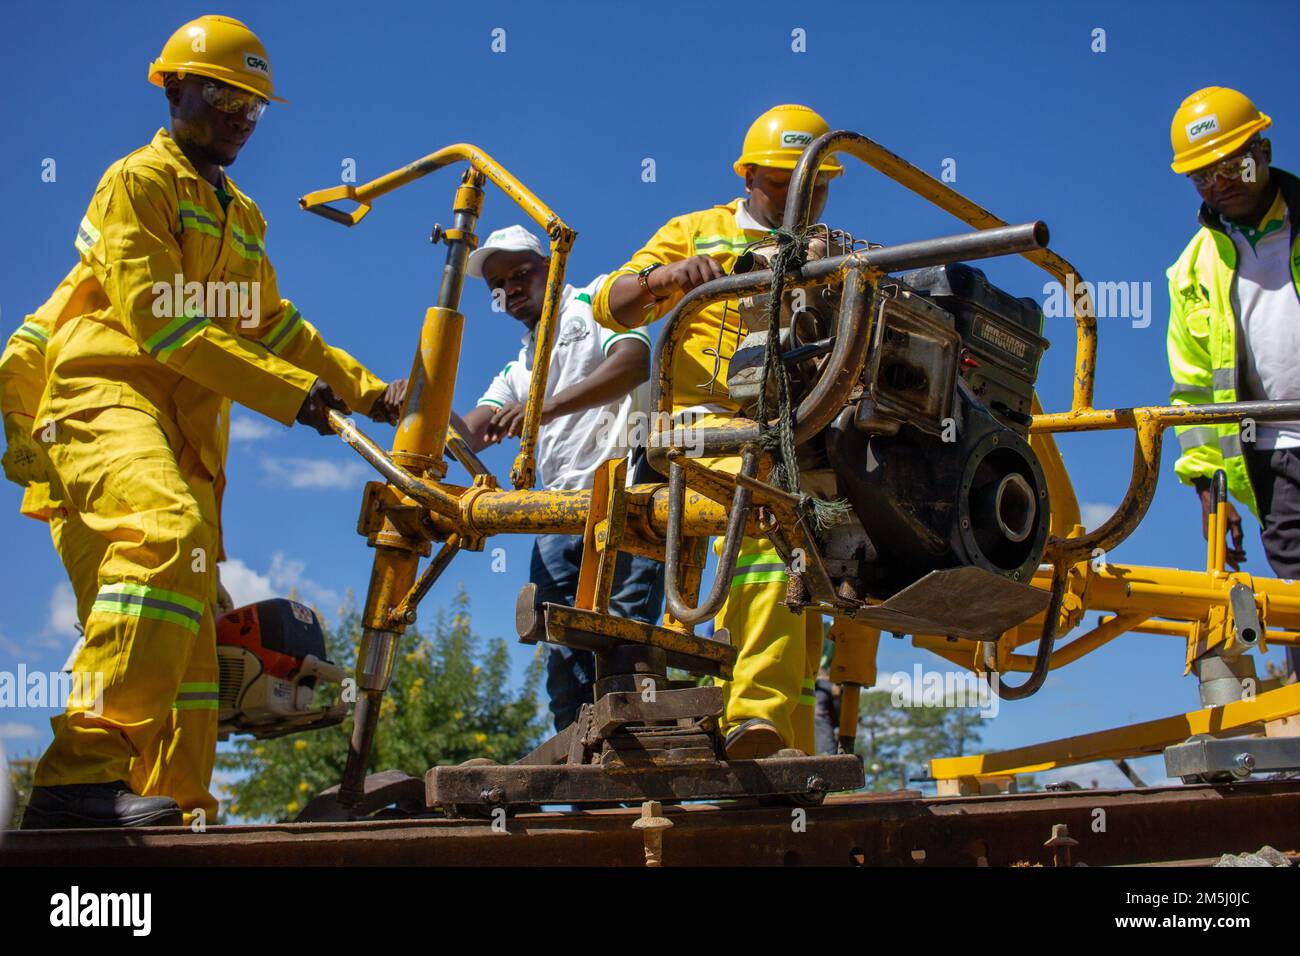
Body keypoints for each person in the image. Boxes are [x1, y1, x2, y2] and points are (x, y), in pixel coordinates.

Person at [5, 15, 404, 830]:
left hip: (180, 436)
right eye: (223, 94)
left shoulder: (241, 217)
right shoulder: (137, 184)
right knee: (162, 533)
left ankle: (180, 809)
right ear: (173, 85)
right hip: (101, 402)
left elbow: (274, 327)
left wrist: (369, 393)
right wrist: (301, 399)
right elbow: (168, 329)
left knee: (190, 630)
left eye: (253, 107)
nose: (238, 117)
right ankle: (73, 778)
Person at [591, 104, 843, 758]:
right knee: (771, 515)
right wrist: (666, 280)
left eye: (819, 183)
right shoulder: (696, 231)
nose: (808, 195)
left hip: (791, 434)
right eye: (794, 180)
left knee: (807, 563)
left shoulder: (831, 254)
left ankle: (782, 748)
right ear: (752, 174)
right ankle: (749, 715)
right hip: (699, 429)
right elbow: (609, 303)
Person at [454, 225, 665, 731]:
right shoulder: (518, 367)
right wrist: (420, 403)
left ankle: (632, 780)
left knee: (623, 647)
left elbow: (635, 362)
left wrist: (541, 409)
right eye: (498, 285)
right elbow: (469, 434)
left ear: (552, 269)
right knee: (564, 660)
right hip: (556, 515)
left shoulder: (597, 304)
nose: (511, 289)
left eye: (522, 274)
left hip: (624, 500)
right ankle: (584, 782)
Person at [1166, 86, 1300, 680]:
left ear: (1263, 150)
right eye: (1201, 176)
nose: (1219, 184)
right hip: (1271, 457)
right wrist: (1205, 479)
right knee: (1297, 595)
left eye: (1232, 166)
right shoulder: (1192, 267)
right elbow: (1193, 387)